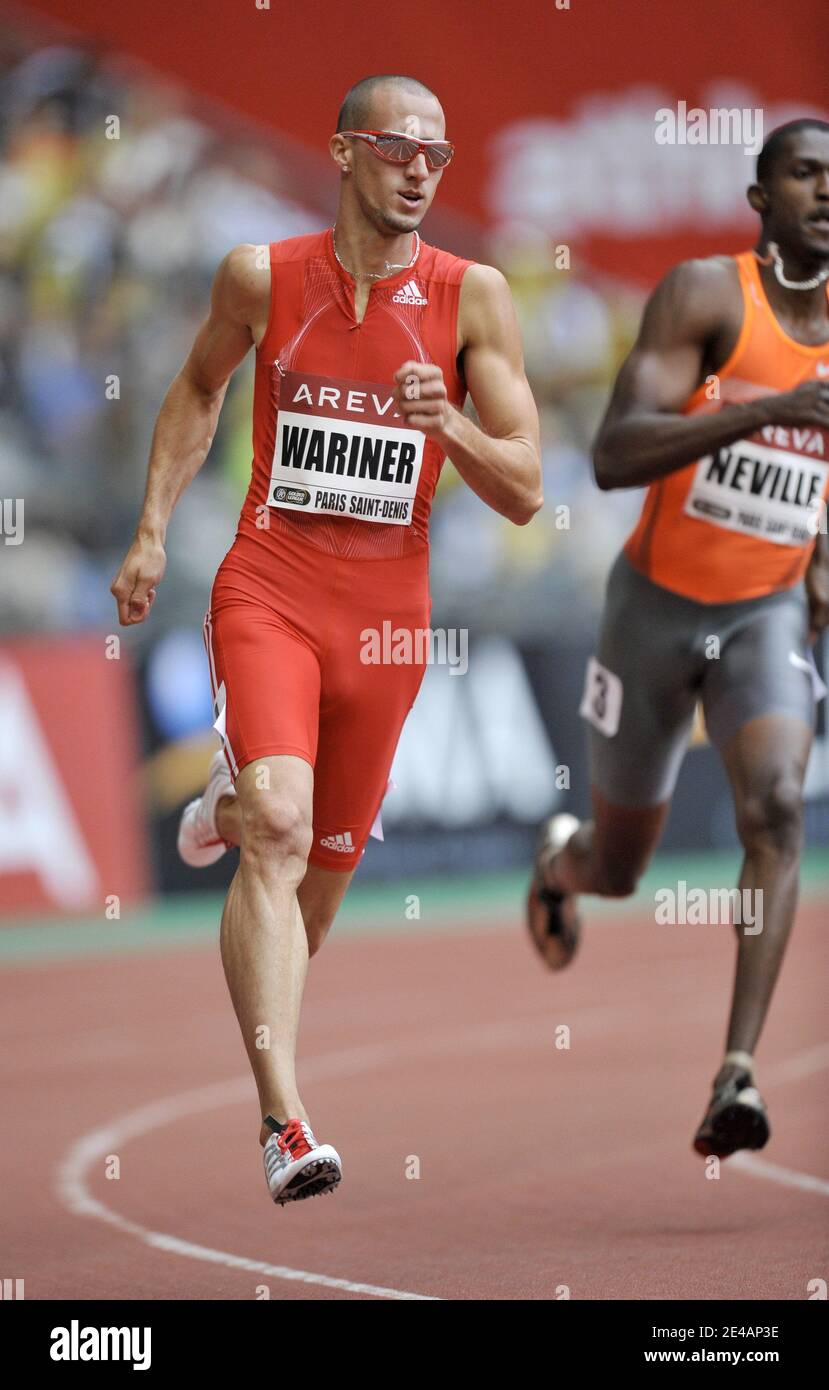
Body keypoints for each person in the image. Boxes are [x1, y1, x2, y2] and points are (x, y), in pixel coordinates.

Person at [112, 73, 542, 1206]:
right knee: (284, 828)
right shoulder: (261, 275)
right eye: (399, 147)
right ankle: (283, 1123)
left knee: (312, 900)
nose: (419, 170)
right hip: (272, 586)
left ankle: (221, 801)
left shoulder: (475, 297)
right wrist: (153, 530)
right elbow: (198, 390)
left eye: (437, 155)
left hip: (389, 623)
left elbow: (527, 487)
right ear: (346, 151)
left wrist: (442, 418)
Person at [527, 118, 829, 1161]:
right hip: (652, 612)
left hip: (765, 612)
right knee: (619, 867)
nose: (826, 192)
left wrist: (818, 555)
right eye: (804, 174)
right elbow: (614, 453)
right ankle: (555, 867)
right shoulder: (704, 296)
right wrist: (765, 411)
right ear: (760, 200)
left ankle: (735, 1073)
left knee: (779, 808)